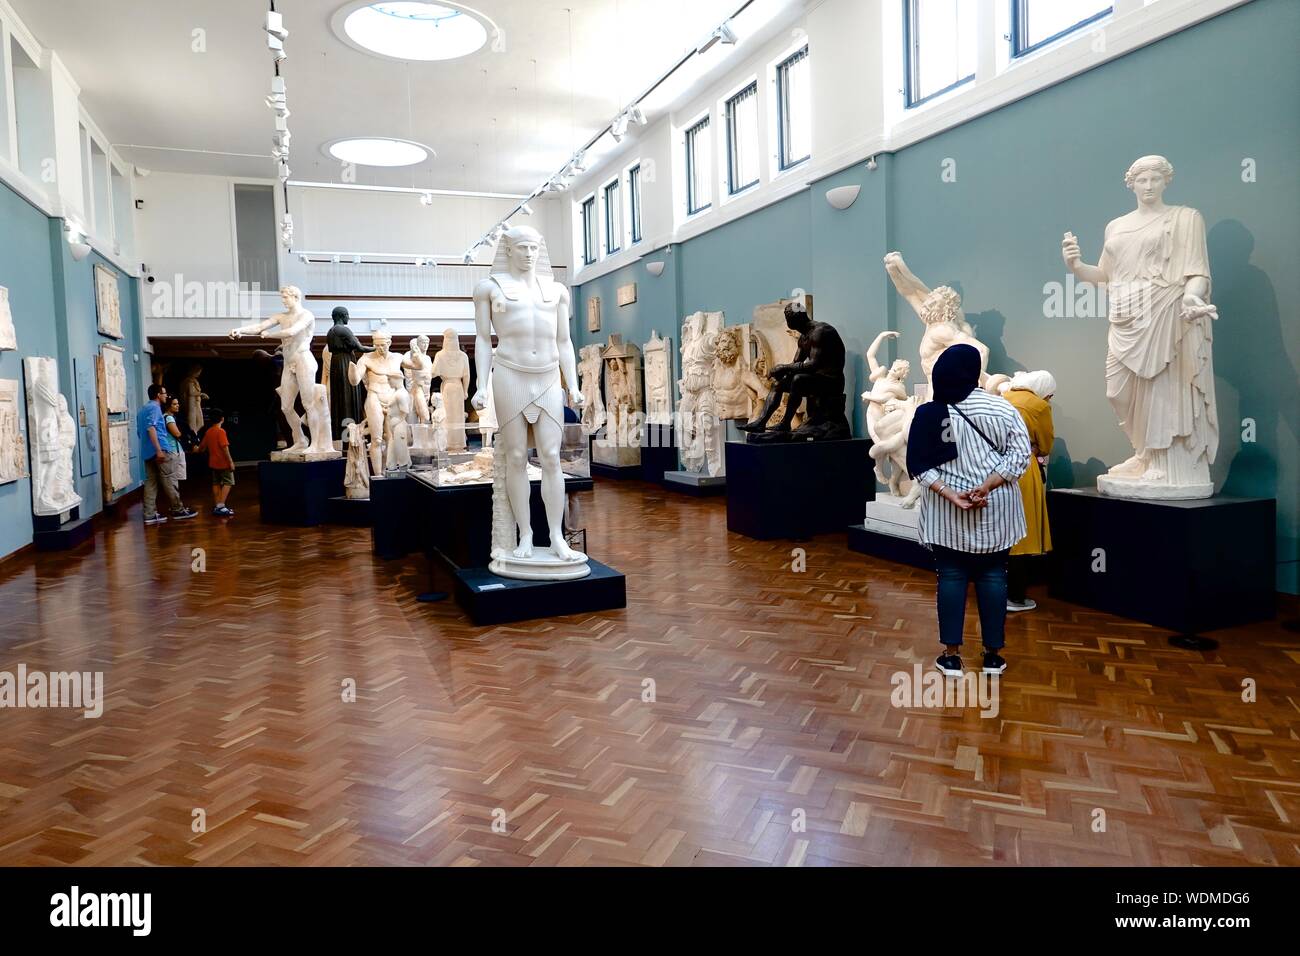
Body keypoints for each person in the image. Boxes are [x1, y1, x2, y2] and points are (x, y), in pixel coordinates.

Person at [906, 344, 1031, 677]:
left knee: (951, 577)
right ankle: (992, 656)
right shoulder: (1002, 409)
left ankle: (951, 656)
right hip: (996, 508)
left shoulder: (930, 412)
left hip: (949, 513)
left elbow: (919, 465)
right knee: (993, 576)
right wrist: (987, 485)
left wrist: (951, 494)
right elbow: (1020, 457)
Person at [1000, 371, 1057, 612]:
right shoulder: (1038, 405)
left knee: (1000, 530)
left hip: (994, 468)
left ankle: (995, 590)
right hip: (1024, 469)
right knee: (1023, 534)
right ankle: (1016, 596)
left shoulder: (1003, 397)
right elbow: (1045, 443)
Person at [135, 384, 196, 525]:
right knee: (169, 480)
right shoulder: (155, 408)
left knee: (151, 483)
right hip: (161, 450)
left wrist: (149, 448)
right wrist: (158, 450)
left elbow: (140, 432)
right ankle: (178, 509)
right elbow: (151, 428)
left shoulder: (142, 410)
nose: (166, 396)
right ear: (158, 395)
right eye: (164, 393)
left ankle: (149, 514)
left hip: (146, 452)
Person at [194, 408, 235, 517]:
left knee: (216, 483)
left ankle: (218, 505)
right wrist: (230, 462)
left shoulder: (208, 432)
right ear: (222, 419)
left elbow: (201, 448)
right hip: (223, 462)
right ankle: (221, 506)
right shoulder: (221, 431)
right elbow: (225, 448)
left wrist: (195, 448)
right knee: (228, 482)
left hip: (213, 463)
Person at [163, 396, 188, 485]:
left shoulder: (167, 417)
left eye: (177, 404)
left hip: (172, 449)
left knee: (173, 479)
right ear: (168, 406)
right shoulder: (168, 418)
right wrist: (181, 433)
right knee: (173, 479)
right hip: (172, 450)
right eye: (174, 404)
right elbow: (177, 433)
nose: (177, 406)